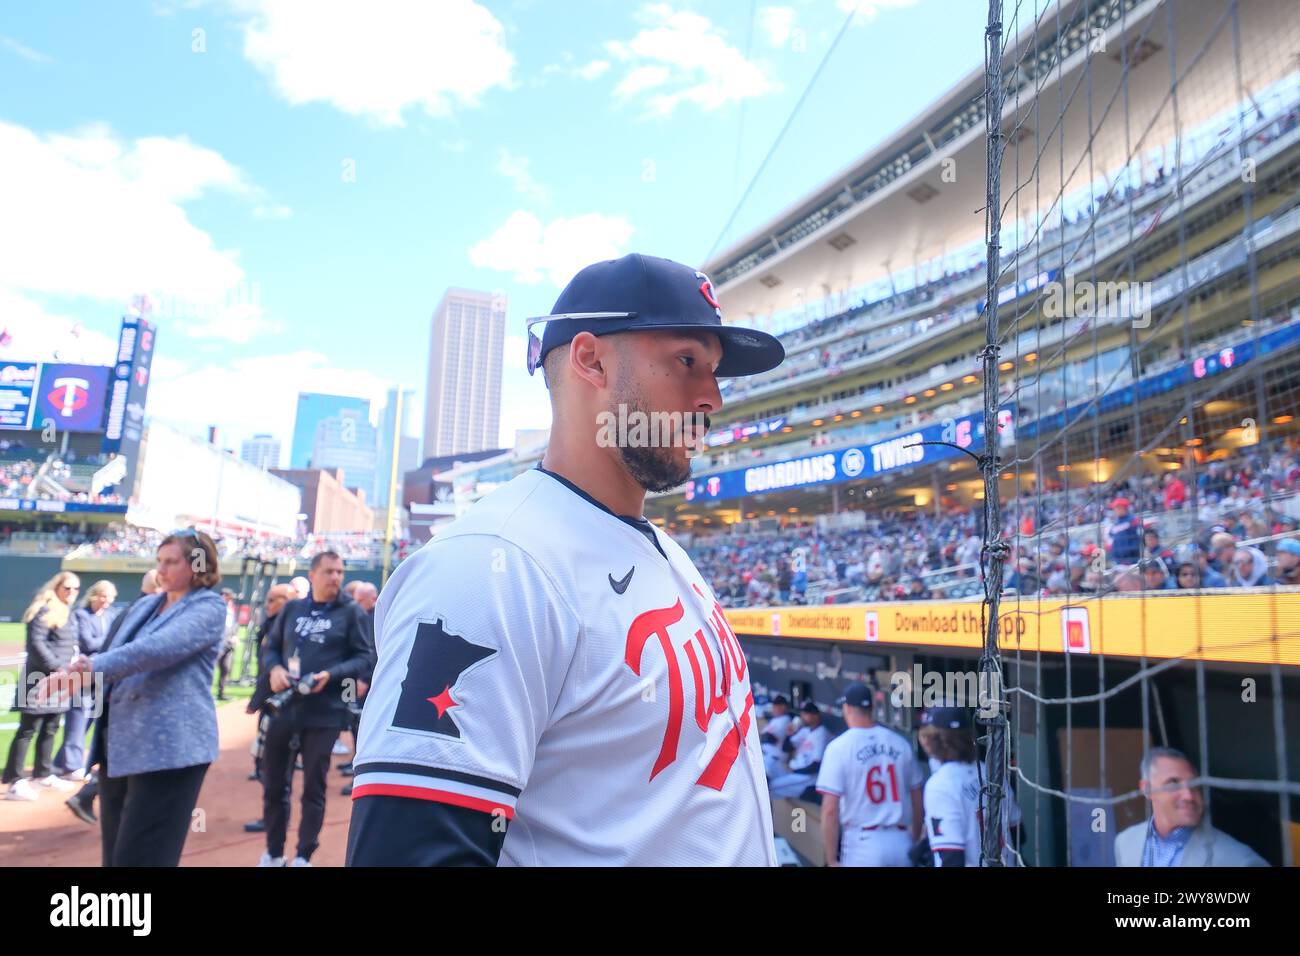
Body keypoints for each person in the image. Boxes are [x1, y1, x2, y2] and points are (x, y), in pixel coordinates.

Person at [347, 253, 785, 866]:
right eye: (687, 361)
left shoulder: (667, 552)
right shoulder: (489, 567)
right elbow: (407, 854)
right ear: (590, 359)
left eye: (713, 371)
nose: (711, 396)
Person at [44, 530, 227, 866]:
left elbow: (153, 651)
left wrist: (89, 667)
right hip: (121, 746)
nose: (162, 569)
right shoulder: (146, 605)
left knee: (143, 857)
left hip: (171, 751)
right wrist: (78, 676)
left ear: (198, 564)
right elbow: (114, 654)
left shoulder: (209, 606)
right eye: (160, 561)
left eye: (172, 561)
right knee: (116, 857)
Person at [259, 551, 374, 867]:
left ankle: (303, 855)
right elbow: (270, 649)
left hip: (324, 711)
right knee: (274, 784)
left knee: (313, 785)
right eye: (329, 571)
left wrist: (331, 675)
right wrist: (274, 670)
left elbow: (365, 657)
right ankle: (273, 852)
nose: (335, 577)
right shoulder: (293, 609)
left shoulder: (351, 612)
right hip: (285, 708)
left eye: (339, 571)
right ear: (312, 575)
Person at [65, 570, 159, 825]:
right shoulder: (148, 614)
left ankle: (88, 795)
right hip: (128, 698)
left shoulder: (129, 612)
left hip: (113, 694)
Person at [816, 684, 922, 867]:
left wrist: (831, 859)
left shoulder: (839, 747)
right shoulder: (900, 743)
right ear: (872, 708)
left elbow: (830, 809)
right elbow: (917, 800)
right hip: (901, 840)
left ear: (846, 708)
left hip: (863, 844)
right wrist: (913, 839)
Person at [1113, 748, 1268, 866]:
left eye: (1194, 785)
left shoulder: (1239, 860)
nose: (1189, 795)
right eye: (1173, 783)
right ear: (1147, 789)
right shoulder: (1125, 841)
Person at [3, 572, 82, 800]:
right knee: (27, 730)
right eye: (67, 587)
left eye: (76, 589)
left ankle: (42, 774)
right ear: (56, 587)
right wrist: (58, 667)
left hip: (58, 683)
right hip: (38, 681)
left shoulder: (67, 613)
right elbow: (36, 644)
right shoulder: (44, 609)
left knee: (50, 728)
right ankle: (16, 781)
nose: (72, 593)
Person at [242, 581, 296, 833]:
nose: (269, 605)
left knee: (277, 769)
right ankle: (272, 816)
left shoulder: (289, 629)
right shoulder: (271, 626)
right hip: (270, 704)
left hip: (285, 707)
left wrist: (256, 699)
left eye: (275, 599)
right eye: (269, 600)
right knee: (267, 764)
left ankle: (275, 820)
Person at [52, 580, 117, 781]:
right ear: (94, 595)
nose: (106, 601)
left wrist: (107, 643)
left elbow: (115, 639)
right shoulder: (82, 615)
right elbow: (87, 642)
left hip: (102, 674)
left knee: (88, 720)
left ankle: (59, 763)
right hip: (83, 673)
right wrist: (108, 641)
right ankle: (72, 766)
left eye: (109, 597)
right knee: (78, 718)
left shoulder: (110, 615)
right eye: (103, 596)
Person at [918, 706, 982, 867]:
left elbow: (952, 858)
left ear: (938, 741)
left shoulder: (940, 785)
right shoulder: (989, 772)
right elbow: (1019, 834)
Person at [768, 700, 831, 799]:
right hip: (796, 773)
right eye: (802, 714)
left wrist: (795, 771)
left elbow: (816, 766)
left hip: (808, 778)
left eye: (805, 714)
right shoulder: (805, 731)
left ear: (816, 716)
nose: (802, 717)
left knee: (768, 789)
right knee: (767, 779)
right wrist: (789, 734)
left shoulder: (822, 733)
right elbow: (786, 748)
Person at [760, 694, 794, 778]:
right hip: (766, 757)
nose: (773, 709)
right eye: (774, 706)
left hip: (774, 760)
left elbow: (769, 738)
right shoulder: (775, 719)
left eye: (776, 706)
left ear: (783, 707)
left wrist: (760, 736)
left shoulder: (786, 720)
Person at [216, 587, 239, 701]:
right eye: (228, 597)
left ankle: (221, 693)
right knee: (209, 668)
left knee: (225, 669)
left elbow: (233, 625)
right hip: (218, 643)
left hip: (228, 643)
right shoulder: (217, 608)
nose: (230, 600)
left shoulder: (230, 609)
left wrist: (234, 636)